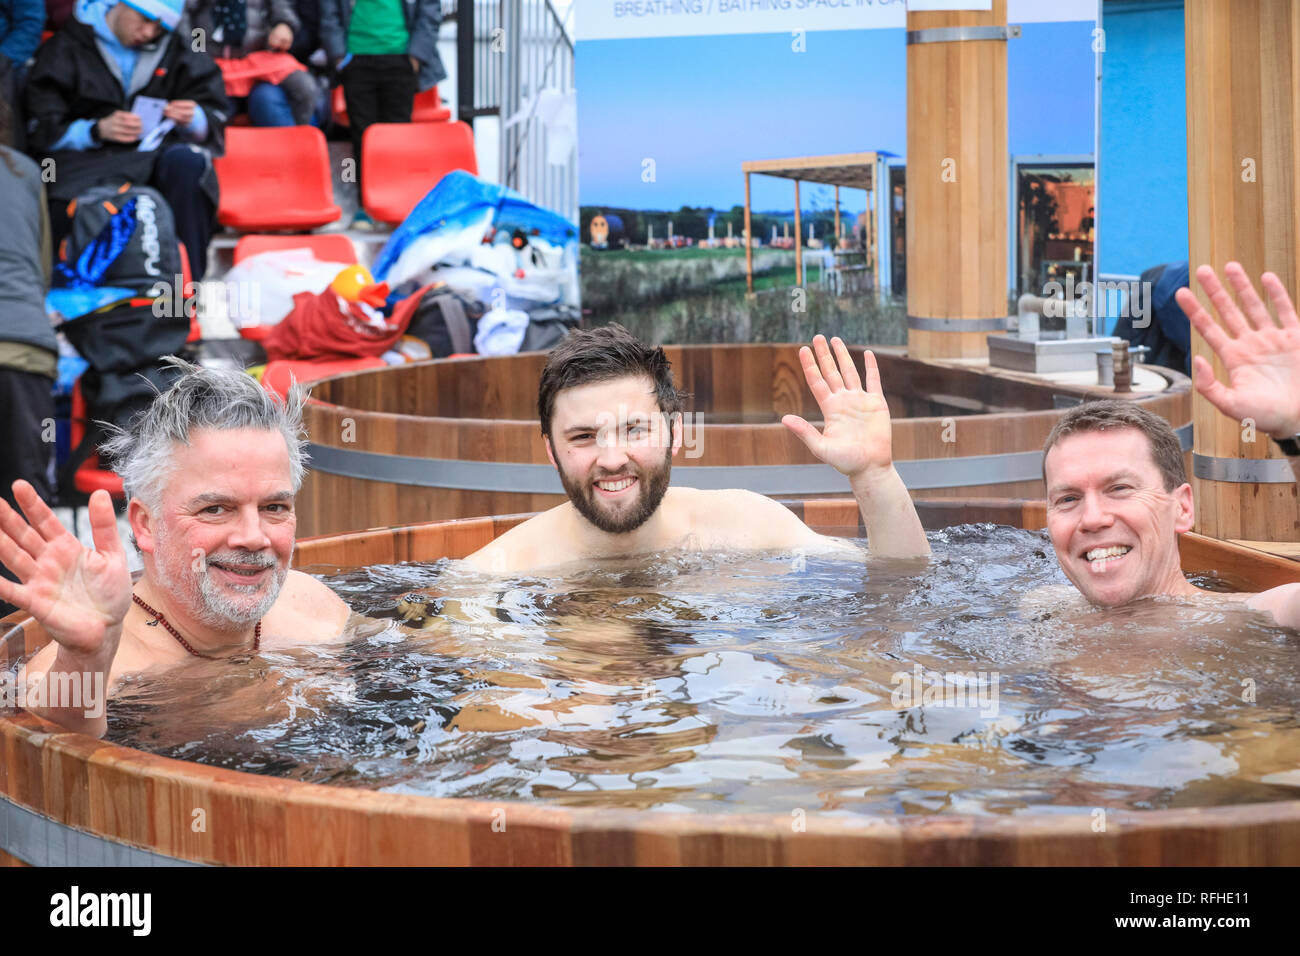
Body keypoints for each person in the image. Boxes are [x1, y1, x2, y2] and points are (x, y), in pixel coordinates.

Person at [0, 359, 353, 737]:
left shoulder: (316, 606)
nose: (254, 536)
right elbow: (54, 750)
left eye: (274, 507)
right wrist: (85, 659)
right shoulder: (103, 664)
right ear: (145, 524)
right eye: (215, 508)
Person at [465, 327, 931, 574]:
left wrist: (874, 474)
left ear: (676, 432)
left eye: (634, 430)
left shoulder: (749, 526)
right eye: (583, 437)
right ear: (551, 451)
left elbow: (900, 579)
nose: (610, 458)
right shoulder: (498, 576)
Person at [1041, 261, 1300, 626]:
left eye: (1119, 488)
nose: (1093, 519)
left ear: (1182, 508)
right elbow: (927, 573)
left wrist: (1295, 430)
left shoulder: (1249, 619)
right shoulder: (1043, 608)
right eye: (1068, 499)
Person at [24, 0, 228, 278]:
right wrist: (94, 131)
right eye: (144, 19)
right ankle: (61, 288)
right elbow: (39, 125)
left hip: (154, 157)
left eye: (159, 26)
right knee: (50, 178)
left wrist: (195, 118)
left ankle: (185, 286)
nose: (148, 32)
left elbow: (215, 111)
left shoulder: (179, 48)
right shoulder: (65, 47)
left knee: (189, 164)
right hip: (82, 161)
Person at [0, 94, 54, 619]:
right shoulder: (22, 170)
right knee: (24, 499)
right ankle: (23, 634)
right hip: (26, 346)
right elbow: (40, 271)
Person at [318, 0, 443, 228]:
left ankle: (398, 203)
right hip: (356, 59)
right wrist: (338, 56)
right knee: (359, 139)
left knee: (399, 139)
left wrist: (416, 56)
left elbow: (431, 12)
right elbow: (329, 15)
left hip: (401, 58)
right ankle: (364, 206)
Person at [187, 0, 319, 127]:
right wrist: (195, 48)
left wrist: (284, 24)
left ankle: (299, 142)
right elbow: (187, 13)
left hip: (259, 60)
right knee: (210, 110)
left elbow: (282, 8)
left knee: (302, 88)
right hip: (212, 65)